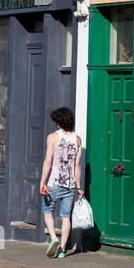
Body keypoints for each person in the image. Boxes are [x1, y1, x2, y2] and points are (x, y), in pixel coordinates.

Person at [38, 107, 83, 259]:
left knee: (47, 212)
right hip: (70, 185)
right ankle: (63, 249)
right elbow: (77, 165)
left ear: (59, 121)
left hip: (53, 183)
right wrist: (79, 186)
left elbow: (48, 161)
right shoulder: (77, 140)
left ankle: (53, 238)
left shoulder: (52, 137)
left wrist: (42, 181)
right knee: (65, 217)